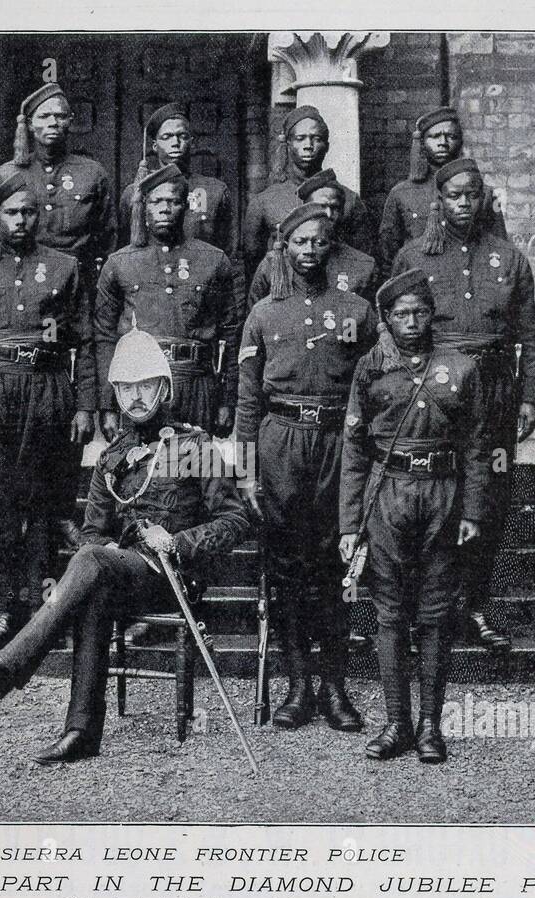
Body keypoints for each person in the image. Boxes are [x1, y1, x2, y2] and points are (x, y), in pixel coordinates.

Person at [0, 326, 251, 765]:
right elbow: (94, 533)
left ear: (165, 388)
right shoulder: (112, 458)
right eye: (125, 388)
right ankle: (80, 731)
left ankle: (11, 666)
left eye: (145, 386)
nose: (135, 398)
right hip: (122, 572)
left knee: (92, 567)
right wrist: (110, 550)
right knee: (93, 581)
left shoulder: (195, 445)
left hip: (175, 575)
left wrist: (179, 541)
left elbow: (234, 520)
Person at [339, 271, 493, 763]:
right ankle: (395, 723)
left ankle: (430, 726)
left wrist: (472, 509)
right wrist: (349, 524)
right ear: (386, 319)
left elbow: (475, 445)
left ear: (432, 315)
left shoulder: (461, 368)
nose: (411, 323)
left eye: (419, 313)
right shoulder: (370, 369)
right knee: (389, 613)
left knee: (433, 613)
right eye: (401, 315)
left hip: (442, 495)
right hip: (387, 496)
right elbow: (355, 449)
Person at [236, 203, 379, 733]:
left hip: (339, 444)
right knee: (288, 567)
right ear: (285, 247)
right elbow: (248, 398)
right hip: (281, 445)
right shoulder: (264, 314)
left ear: (331, 245)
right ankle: (297, 685)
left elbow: (373, 387)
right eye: (301, 243)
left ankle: (335, 686)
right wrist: (246, 469)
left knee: (339, 566)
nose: (311, 251)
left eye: (320, 241)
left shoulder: (359, 310)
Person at [391, 158, 535, 652]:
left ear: (483, 199)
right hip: (434, 388)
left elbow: (528, 336)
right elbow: (395, 333)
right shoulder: (414, 257)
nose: (463, 203)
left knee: (488, 499)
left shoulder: (508, 258)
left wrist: (527, 398)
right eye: (454, 195)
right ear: (438, 201)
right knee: (429, 496)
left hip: (495, 389)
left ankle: (475, 607)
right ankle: (422, 614)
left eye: (472, 194)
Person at [0, 169, 95, 650]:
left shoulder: (63, 267)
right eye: (11, 213)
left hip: (50, 389)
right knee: (0, 506)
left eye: (29, 212)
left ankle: (44, 609)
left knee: (47, 504)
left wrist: (85, 405)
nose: (21, 221)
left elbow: (85, 340)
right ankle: (8, 608)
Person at [0, 82, 116, 540]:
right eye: (44, 117)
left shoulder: (91, 173)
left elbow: (106, 239)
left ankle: (61, 511)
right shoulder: (9, 171)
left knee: (58, 401)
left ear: (71, 122)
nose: (54, 124)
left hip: (69, 288)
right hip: (17, 297)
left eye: (61, 116)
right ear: (29, 124)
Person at [96, 163, 244, 437]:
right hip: (140, 385)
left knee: (194, 470)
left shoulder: (213, 261)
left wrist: (227, 399)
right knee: (140, 470)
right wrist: (107, 404)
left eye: (173, 201)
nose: (165, 208)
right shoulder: (119, 263)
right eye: (157, 202)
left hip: (196, 384)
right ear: (143, 207)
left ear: (186, 206)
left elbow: (230, 334)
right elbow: (104, 336)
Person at [241, 105, 373, 279]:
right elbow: (252, 264)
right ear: (288, 144)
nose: (308, 146)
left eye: (316, 139)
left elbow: (362, 260)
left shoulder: (348, 200)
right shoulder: (264, 201)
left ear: (326, 146)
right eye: (300, 138)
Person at [378, 106, 508, 275]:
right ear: (422, 143)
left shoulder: (486, 194)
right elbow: (388, 255)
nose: (443, 143)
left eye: (451, 136)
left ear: (460, 141)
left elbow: (500, 247)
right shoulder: (401, 193)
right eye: (435, 136)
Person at [117, 102, 236, 257]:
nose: (175, 143)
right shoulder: (135, 192)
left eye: (182, 136)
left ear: (192, 143)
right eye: (167, 137)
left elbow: (228, 253)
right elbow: (123, 253)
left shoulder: (215, 191)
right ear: (154, 146)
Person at [247, 168, 377, 309]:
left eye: (334, 208)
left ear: (342, 211)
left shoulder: (363, 265)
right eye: (320, 207)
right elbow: (255, 318)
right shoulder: (275, 263)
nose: (328, 214)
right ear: (305, 209)